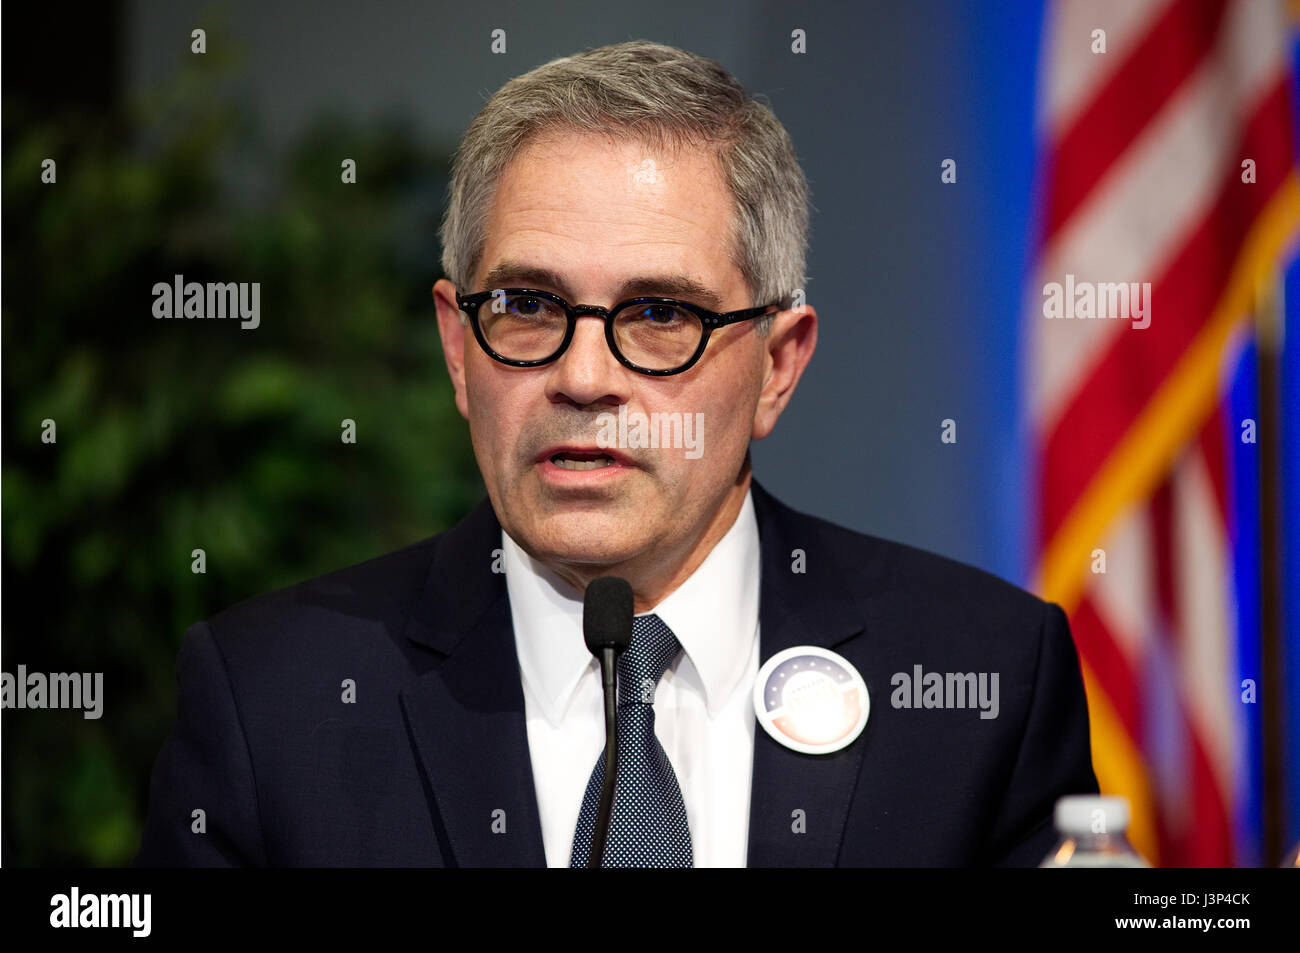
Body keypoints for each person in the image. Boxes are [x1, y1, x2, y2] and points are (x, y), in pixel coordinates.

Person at [135, 40, 1097, 868]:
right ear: (457, 347)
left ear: (777, 364)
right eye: (528, 306)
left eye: (659, 314)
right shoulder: (272, 705)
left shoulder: (982, 684)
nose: (584, 376)